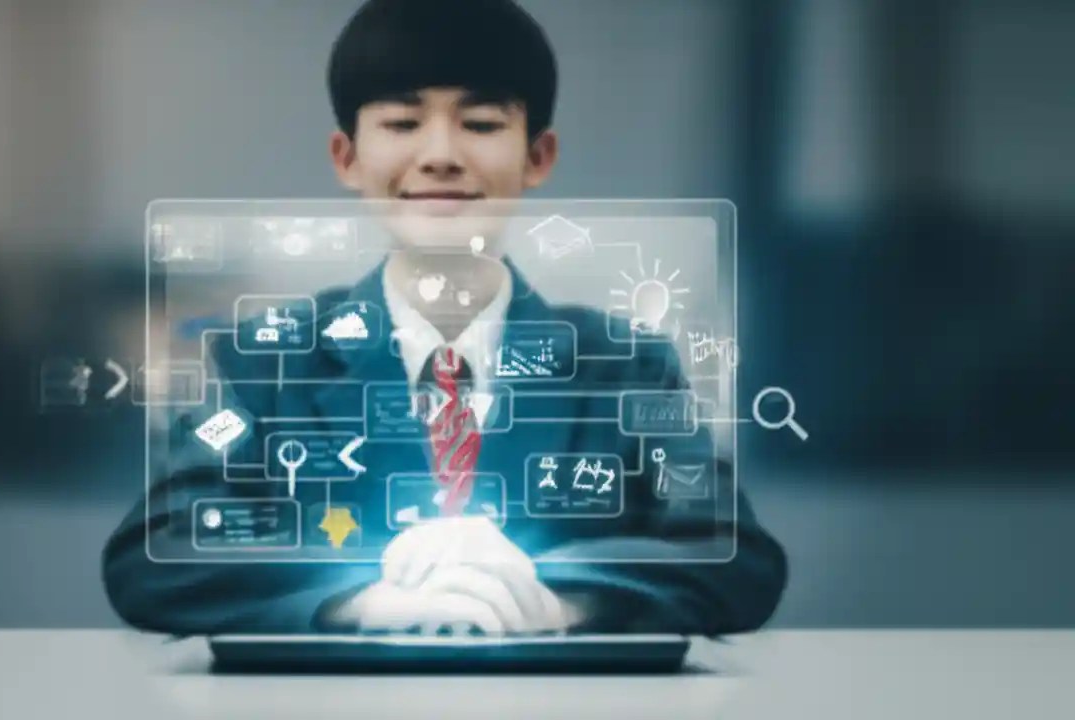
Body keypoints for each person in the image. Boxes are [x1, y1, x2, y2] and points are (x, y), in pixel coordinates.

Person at [103, 0, 786, 637]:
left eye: (482, 124)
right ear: (347, 157)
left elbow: (734, 554)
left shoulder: (628, 366)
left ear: (537, 156)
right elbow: (157, 549)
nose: (440, 155)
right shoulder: (257, 362)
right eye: (401, 124)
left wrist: (553, 596)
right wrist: (360, 598)